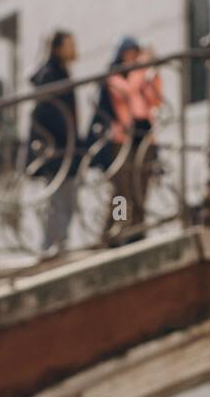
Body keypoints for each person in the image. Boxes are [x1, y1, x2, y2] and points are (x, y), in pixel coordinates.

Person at [88, 37, 163, 245]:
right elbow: (127, 91)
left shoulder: (143, 74)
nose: (133, 56)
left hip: (144, 135)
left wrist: (152, 72)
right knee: (122, 190)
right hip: (121, 138)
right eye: (129, 52)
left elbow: (155, 99)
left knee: (141, 186)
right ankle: (117, 229)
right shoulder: (114, 76)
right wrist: (140, 68)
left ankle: (137, 230)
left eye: (135, 52)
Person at [25, 31, 80, 253]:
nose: (74, 48)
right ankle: (51, 248)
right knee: (60, 201)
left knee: (63, 201)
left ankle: (55, 246)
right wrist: (66, 137)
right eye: (69, 44)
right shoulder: (52, 74)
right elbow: (46, 112)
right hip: (57, 150)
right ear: (58, 48)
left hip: (61, 148)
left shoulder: (58, 72)